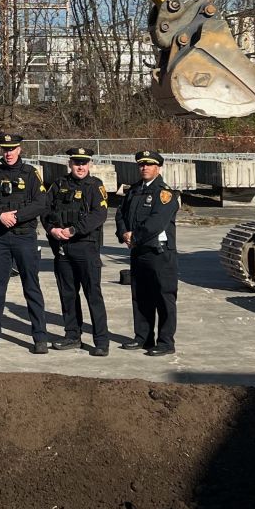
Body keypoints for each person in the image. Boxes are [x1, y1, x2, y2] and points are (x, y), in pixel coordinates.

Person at [0, 132, 50, 354]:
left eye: (12, 149)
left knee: (31, 287)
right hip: (0, 237)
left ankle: (39, 337)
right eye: (5, 149)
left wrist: (16, 216)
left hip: (24, 236)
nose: (8, 153)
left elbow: (41, 202)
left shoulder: (30, 174)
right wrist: (0, 215)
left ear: (19, 150)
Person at [43, 148, 110, 355]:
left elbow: (100, 214)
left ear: (89, 164)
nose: (80, 167)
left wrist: (74, 230)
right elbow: (45, 210)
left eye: (84, 163)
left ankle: (101, 341)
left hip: (86, 247)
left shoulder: (95, 186)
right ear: (69, 164)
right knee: (68, 295)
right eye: (76, 163)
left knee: (93, 295)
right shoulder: (58, 184)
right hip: (63, 248)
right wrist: (52, 229)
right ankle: (72, 335)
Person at [115, 149, 180, 358]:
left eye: (149, 164)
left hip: (159, 253)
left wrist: (134, 237)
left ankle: (165, 342)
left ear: (158, 168)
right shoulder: (134, 191)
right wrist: (123, 233)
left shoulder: (165, 193)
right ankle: (143, 337)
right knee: (140, 296)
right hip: (138, 252)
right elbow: (120, 214)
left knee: (164, 297)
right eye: (142, 164)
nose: (144, 168)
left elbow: (156, 222)